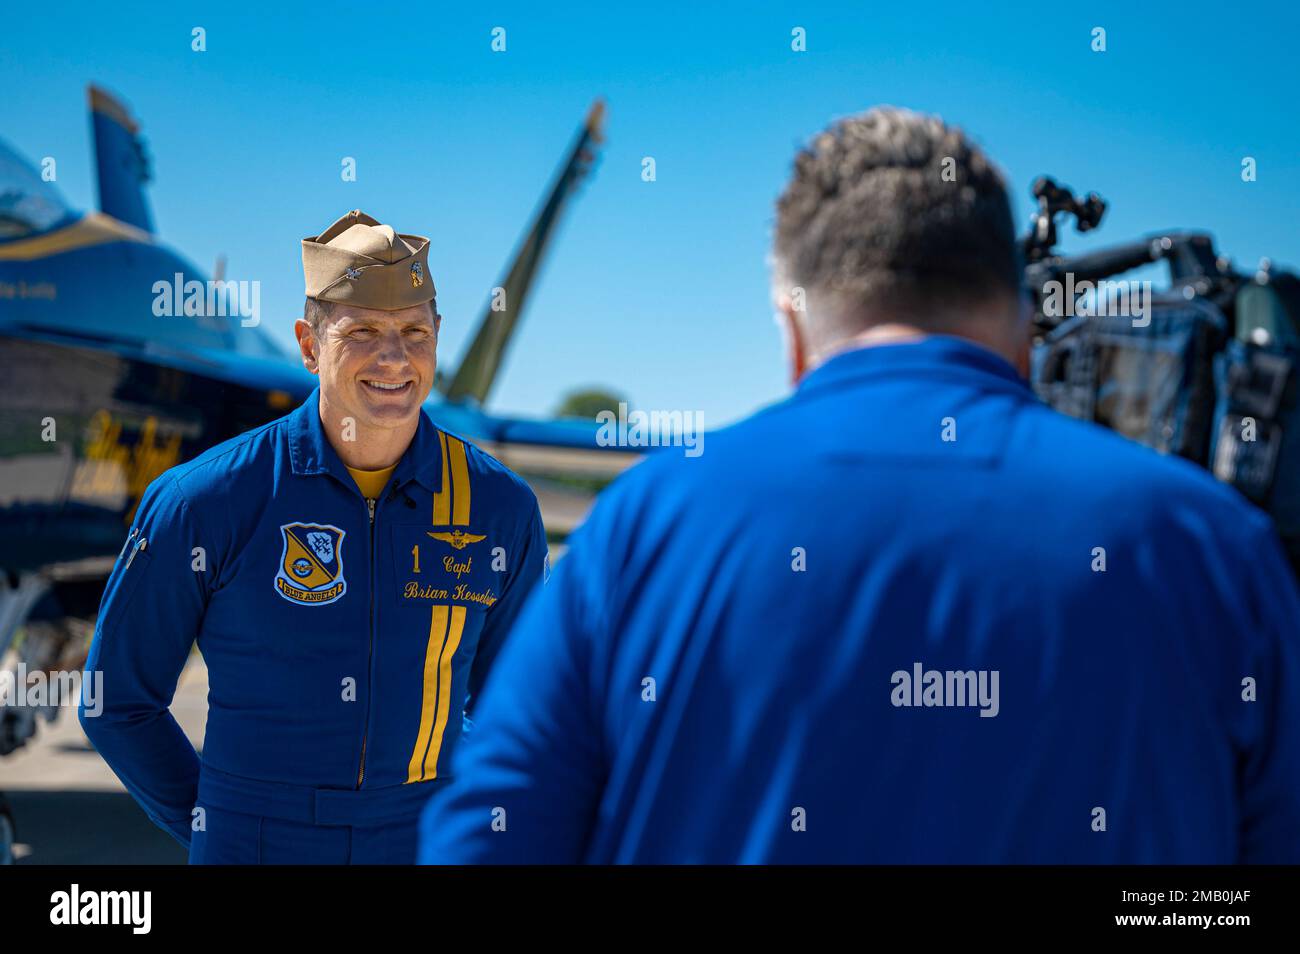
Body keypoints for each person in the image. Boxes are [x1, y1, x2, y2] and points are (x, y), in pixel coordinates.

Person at [417, 109, 1300, 863]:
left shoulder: (636, 530)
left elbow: (488, 835)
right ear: (1026, 320)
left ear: (789, 323)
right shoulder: (1220, 550)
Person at [81, 210, 547, 864]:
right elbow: (118, 703)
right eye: (362, 332)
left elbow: (514, 708)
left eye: (414, 331)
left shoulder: (497, 508)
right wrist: (225, 825)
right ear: (308, 344)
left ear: (437, 339)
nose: (394, 357)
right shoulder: (208, 500)